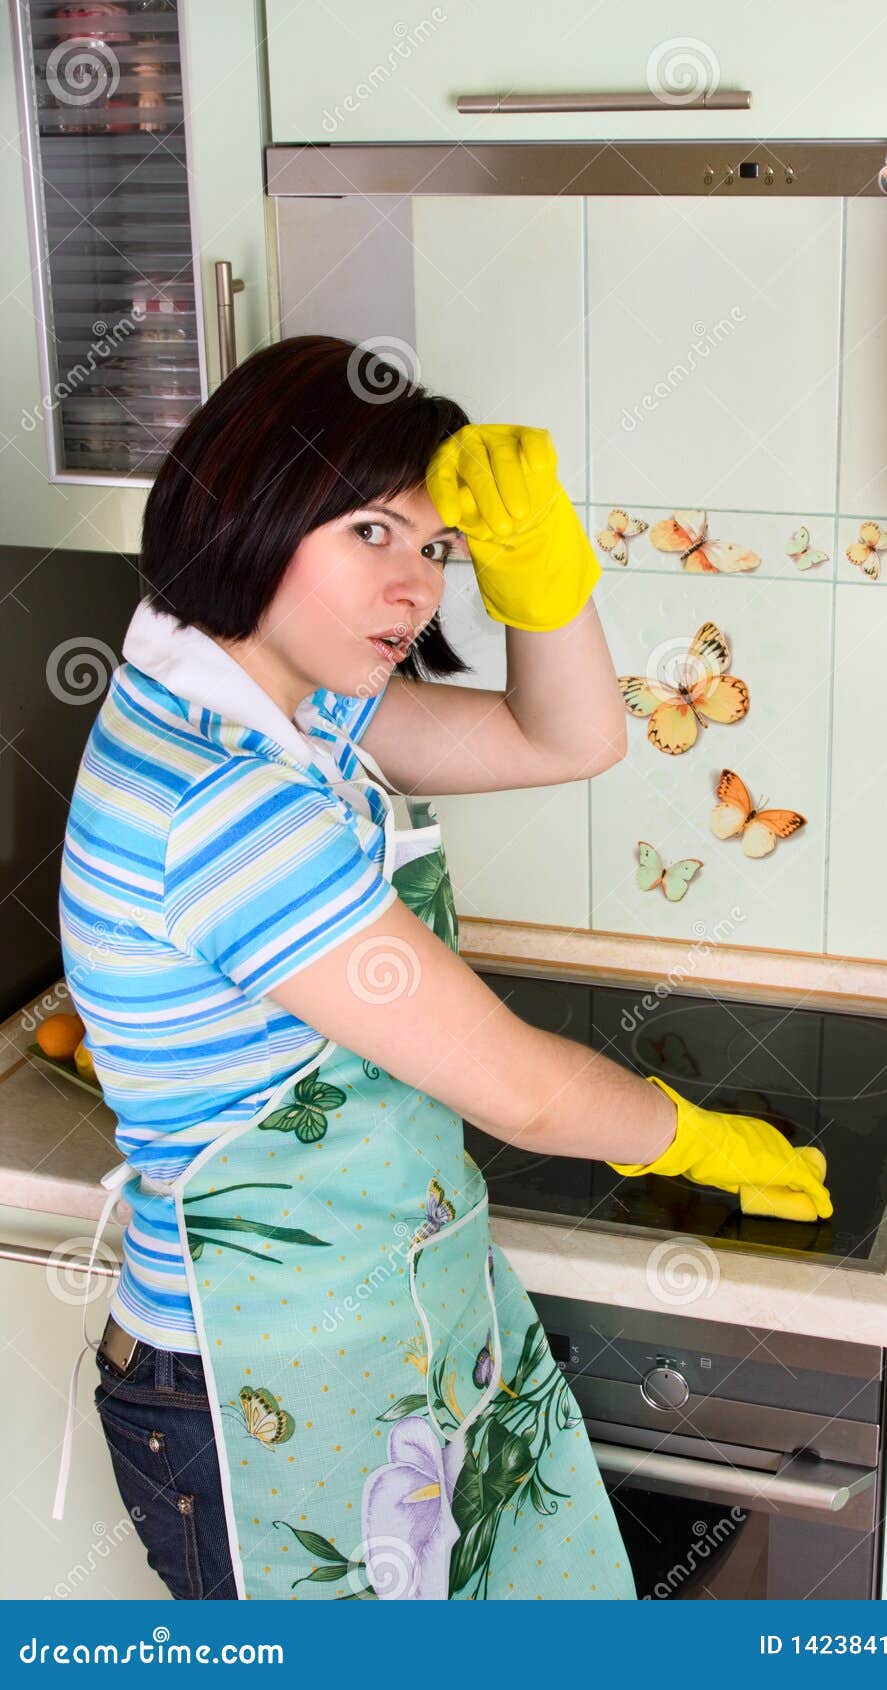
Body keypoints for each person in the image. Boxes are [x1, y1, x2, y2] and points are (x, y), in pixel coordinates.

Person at [56, 334, 832, 1602]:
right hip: (253, 1386)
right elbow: (517, 1092)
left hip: (373, 1328)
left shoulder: (272, 698)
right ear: (248, 505)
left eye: (439, 549)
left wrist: (541, 573)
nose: (415, 588)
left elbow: (565, 736)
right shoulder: (221, 801)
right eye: (371, 532)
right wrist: (686, 1135)